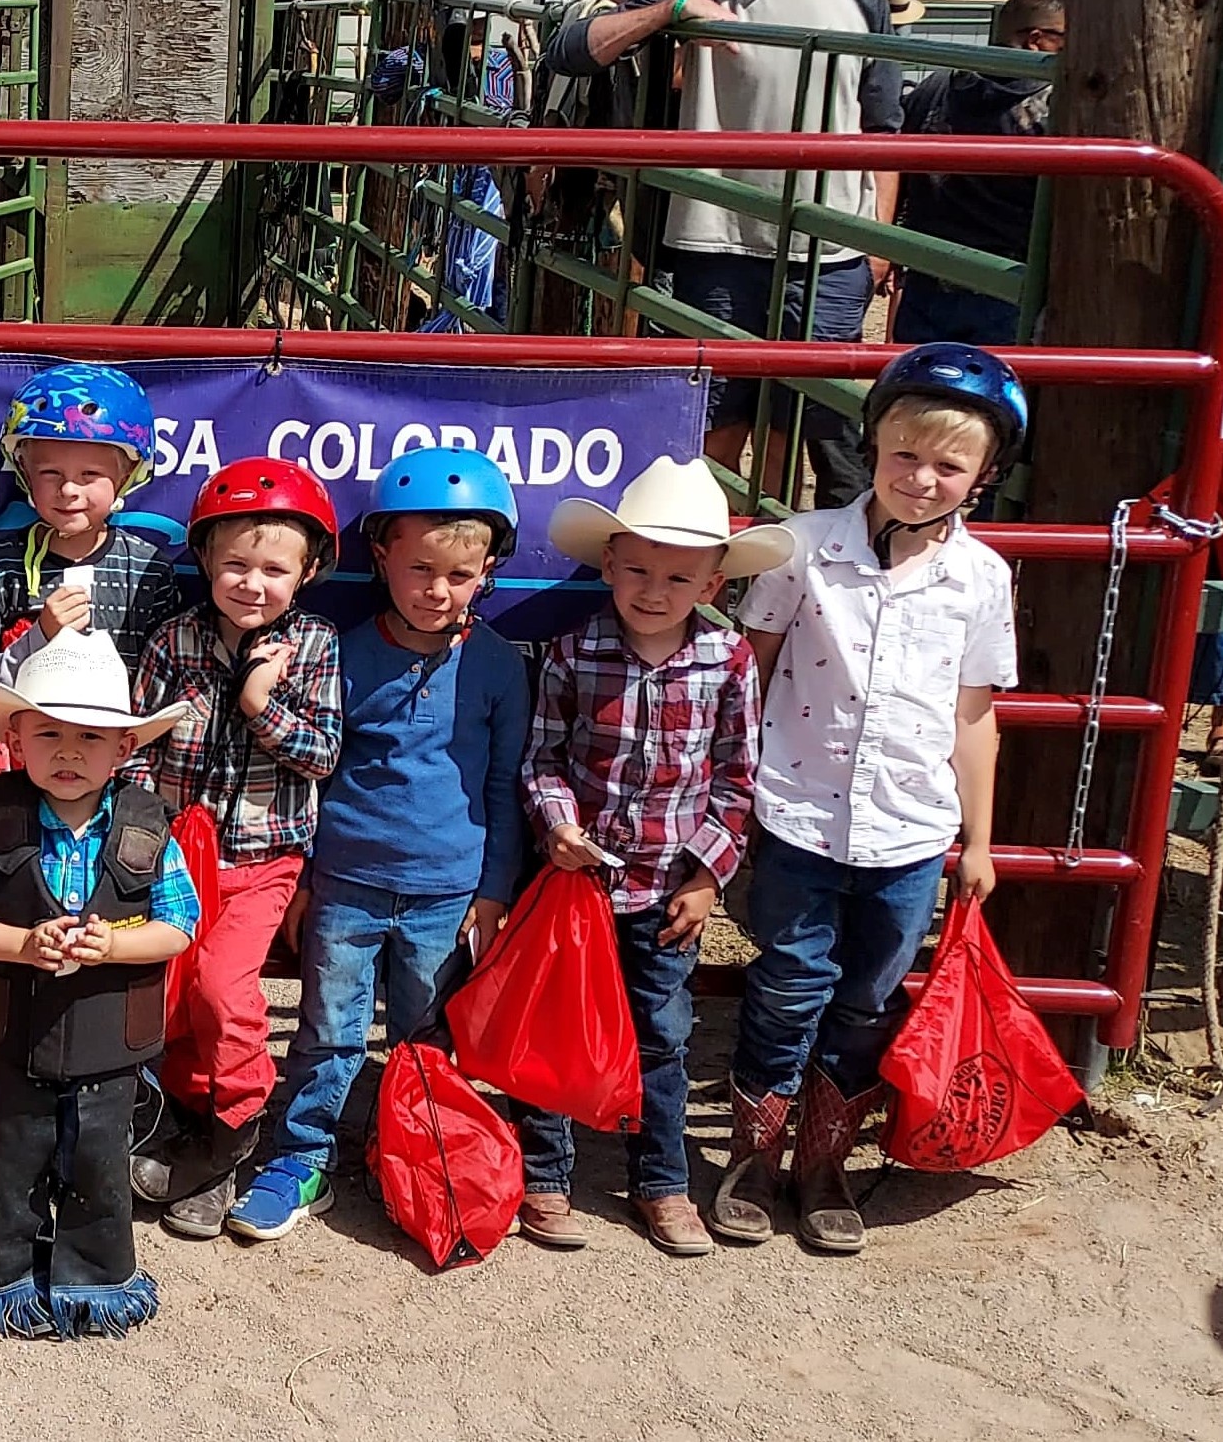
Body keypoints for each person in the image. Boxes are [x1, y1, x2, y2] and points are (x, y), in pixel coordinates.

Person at [717, 342, 1023, 1255]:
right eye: (904, 456)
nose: (921, 479)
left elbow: (974, 717)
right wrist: (733, 792)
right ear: (872, 447)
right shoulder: (803, 550)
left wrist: (979, 839)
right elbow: (751, 675)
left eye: (949, 466)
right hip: (800, 809)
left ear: (985, 474)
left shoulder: (982, 579)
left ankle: (825, 1160)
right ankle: (753, 1157)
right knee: (785, 982)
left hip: (909, 827)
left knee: (867, 999)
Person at [544, 0, 904, 508]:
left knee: (815, 425)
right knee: (711, 425)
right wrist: (673, 9)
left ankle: (788, 580)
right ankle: (709, 578)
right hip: (714, 243)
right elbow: (572, 49)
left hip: (831, 251)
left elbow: (883, 126)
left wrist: (878, 241)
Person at [227, 447, 530, 1241]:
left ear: (489, 569)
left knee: (423, 1037)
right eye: (420, 568)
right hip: (347, 884)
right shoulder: (341, 653)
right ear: (381, 557)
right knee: (327, 1028)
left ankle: (416, 1155)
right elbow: (312, 774)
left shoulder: (497, 666)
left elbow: (504, 786)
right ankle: (302, 1156)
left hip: (448, 891)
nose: (437, 591)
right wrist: (301, 879)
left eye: (459, 576)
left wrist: (494, 890)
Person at [518, 455, 793, 1257]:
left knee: (662, 1033)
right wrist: (560, 829)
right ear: (608, 563)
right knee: (560, 1024)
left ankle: (661, 1181)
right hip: (577, 882)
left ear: (710, 585)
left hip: (668, 890)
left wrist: (708, 874)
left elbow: (740, 776)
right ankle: (546, 1172)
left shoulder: (729, 660)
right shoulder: (574, 653)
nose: (652, 590)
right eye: (636, 569)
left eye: (677, 577)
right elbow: (543, 758)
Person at [0, 630, 196, 1338]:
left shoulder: (147, 831)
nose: (70, 752)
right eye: (48, 733)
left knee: (98, 1159)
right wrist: (23, 942)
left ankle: (96, 1276)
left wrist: (110, 944)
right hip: (13, 1036)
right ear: (16, 739)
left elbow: (179, 925)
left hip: (106, 1041)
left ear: (124, 748)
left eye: (91, 736)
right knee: (10, 1150)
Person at [126, 458, 345, 1239]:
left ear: (308, 572)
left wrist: (259, 703)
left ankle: (235, 1127)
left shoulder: (314, 646)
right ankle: (188, 1118)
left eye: (274, 569)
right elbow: (139, 747)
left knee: (223, 990)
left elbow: (321, 756)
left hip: (262, 861)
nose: (253, 583)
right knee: (173, 993)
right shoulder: (175, 638)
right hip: (178, 860)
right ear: (207, 562)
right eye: (236, 564)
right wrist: (140, 833)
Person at [0, 361, 183, 680]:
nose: (69, 490)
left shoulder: (149, 571)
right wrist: (38, 637)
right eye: (50, 473)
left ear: (127, 475)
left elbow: (164, 682)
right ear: (24, 471)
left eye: (90, 474)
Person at [891, 0, 1066, 347]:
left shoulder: (938, 87)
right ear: (1036, 39)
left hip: (929, 270)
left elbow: (898, 170)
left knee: (922, 391)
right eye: (1068, 38)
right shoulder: (1056, 108)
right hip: (1011, 280)